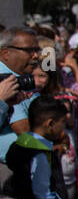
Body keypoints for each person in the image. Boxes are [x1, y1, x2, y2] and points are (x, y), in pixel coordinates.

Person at [0, 27, 40, 159]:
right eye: (29, 50)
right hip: (11, 168)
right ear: (6, 53)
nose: (36, 56)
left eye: (37, 50)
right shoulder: (6, 82)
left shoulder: (21, 78)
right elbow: (24, 130)